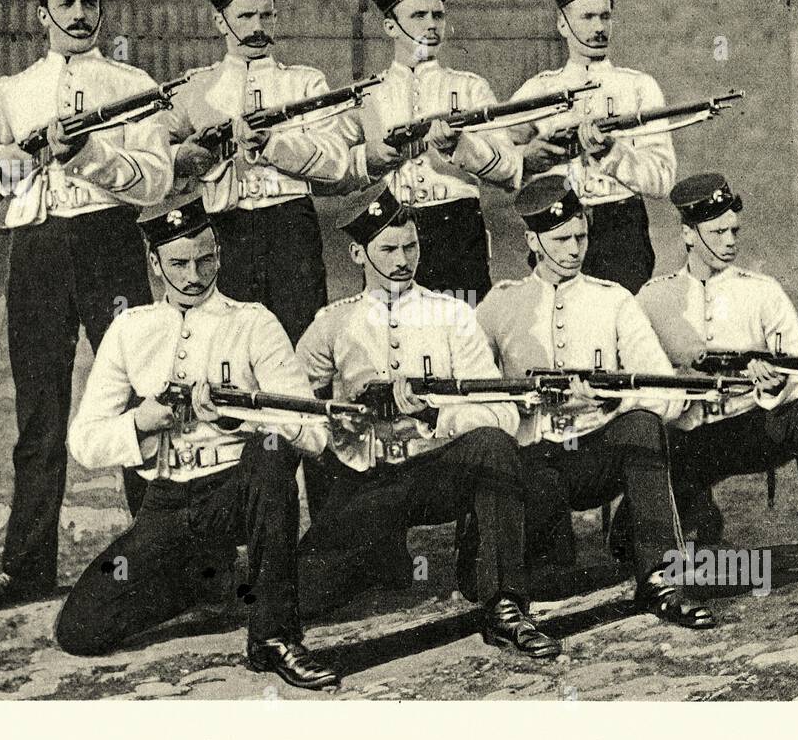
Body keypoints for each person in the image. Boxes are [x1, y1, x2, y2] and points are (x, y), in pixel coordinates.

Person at [0, 0, 173, 611]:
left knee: (137, 396)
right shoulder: (13, 91)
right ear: (43, 14)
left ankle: (163, 554)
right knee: (39, 413)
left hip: (109, 246)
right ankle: (27, 566)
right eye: (66, 4)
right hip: (37, 251)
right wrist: (16, 158)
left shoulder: (130, 83)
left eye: (90, 3)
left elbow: (157, 177)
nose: (80, 14)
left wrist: (94, 153)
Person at [54, 194, 340, 689]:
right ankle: (197, 580)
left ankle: (273, 637)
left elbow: (314, 431)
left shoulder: (253, 322)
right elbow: (84, 441)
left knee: (271, 454)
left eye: (206, 259)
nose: (193, 275)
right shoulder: (130, 329)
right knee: (81, 629)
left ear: (220, 254)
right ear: (154, 263)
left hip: (233, 492)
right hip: (166, 504)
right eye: (179, 263)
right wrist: (141, 421)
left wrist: (240, 414)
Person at [294, 184, 560, 658]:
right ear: (358, 253)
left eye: (411, 246)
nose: (403, 260)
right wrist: (343, 417)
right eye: (389, 249)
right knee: (300, 596)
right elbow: (296, 409)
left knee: (491, 446)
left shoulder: (452, 314)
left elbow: (500, 412)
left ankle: (505, 606)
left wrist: (437, 412)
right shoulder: (332, 323)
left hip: (436, 471)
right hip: (367, 482)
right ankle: (370, 559)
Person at [637, 173, 798, 601]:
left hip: (746, 431)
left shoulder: (763, 293)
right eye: (718, 232)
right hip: (681, 442)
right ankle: (692, 520)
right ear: (687, 234)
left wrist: (771, 389)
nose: (730, 240)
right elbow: (638, 379)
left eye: (734, 230)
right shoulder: (652, 298)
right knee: (627, 546)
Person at [475, 176, 713, 628]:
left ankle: (661, 581)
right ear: (532, 240)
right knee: (552, 582)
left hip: (598, 453)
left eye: (581, 237)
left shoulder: (614, 299)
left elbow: (665, 390)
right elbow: (473, 394)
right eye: (561, 239)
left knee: (643, 425)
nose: (574, 249)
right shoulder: (501, 304)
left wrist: (608, 404)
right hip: (536, 460)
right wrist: (526, 406)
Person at [166, 0, 355, 346]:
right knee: (226, 346)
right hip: (225, 228)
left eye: (266, 16)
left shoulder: (303, 82)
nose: (257, 28)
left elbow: (335, 160)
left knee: (302, 341)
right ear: (220, 21)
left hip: (291, 227)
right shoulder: (195, 88)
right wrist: (186, 156)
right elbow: (155, 152)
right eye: (245, 16)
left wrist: (272, 145)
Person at [344, 0, 520, 303]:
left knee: (463, 334)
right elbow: (336, 170)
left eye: (438, 16)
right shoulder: (368, 95)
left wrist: (461, 147)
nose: (431, 25)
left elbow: (510, 168)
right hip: (391, 229)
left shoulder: (469, 87)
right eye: (418, 16)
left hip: (457, 228)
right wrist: (371, 158)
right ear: (390, 27)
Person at [510, 0, 676, 292]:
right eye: (587, 17)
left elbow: (662, 179)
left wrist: (612, 153)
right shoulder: (539, 90)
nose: (599, 28)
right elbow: (494, 153)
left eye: (605, 17)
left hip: (622, 231)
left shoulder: (639, 87)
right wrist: (526, 159)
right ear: (562, 24)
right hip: (556, 226)